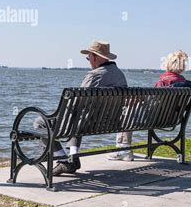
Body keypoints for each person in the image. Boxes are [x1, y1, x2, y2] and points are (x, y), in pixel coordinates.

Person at [35, 40, 134, 176]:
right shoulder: (120, 75)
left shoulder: (94, 75)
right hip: (109, 122)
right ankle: (73, 155)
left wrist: (61, 112)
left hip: (88, 122)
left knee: (41, 122)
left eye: (88, 58)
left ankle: (64, 160)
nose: (88, 61)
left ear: (95, 56)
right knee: (80, 116)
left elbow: (76, 102)